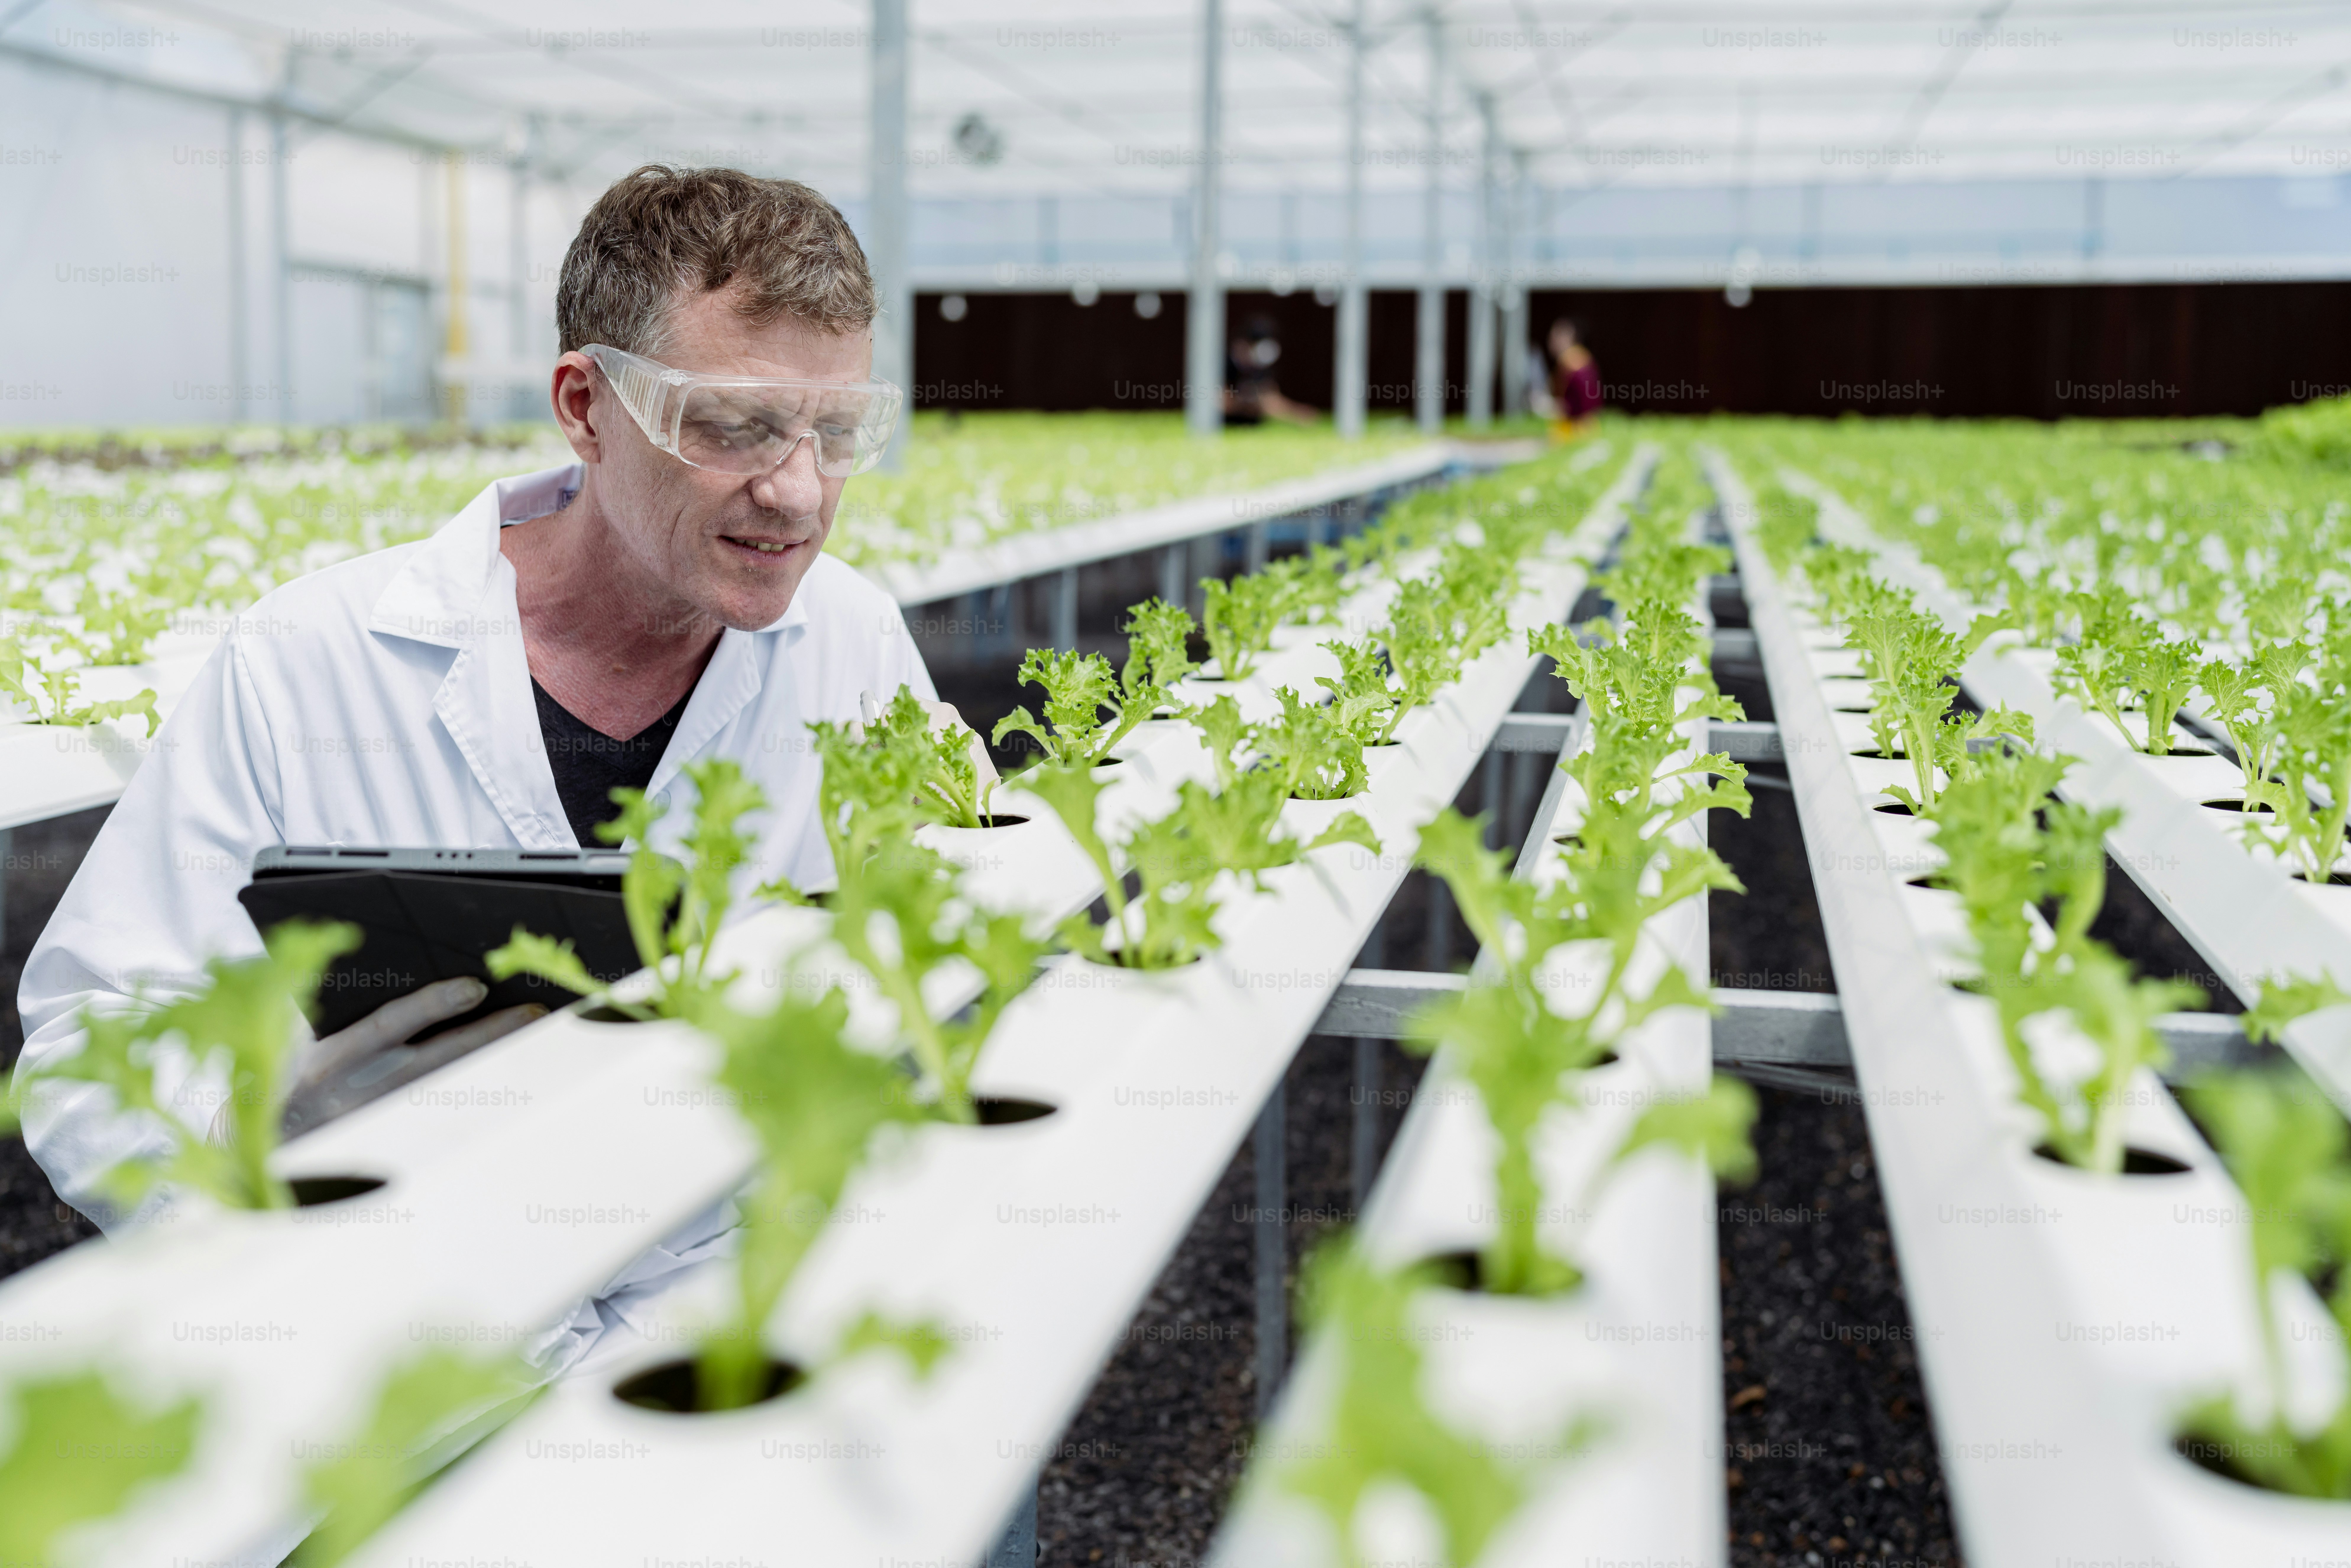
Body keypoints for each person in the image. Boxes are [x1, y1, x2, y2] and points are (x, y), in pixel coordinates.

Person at [15, 165, 990, 1229]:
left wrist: (978, 863)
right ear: (585, 408)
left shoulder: (850, 636)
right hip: (402, 1301)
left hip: (731, 1300)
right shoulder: (305, 659)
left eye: (836, 431)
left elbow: (925, 978)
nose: (799, 491)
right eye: (732, 426)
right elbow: (90, 1042)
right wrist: (252, 1138)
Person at [1222, 314, 1318, 426]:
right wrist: (1245, 402)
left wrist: (1297, 413)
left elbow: (1271, 400)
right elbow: (1214, 399)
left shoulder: (1260, 369)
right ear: (1242, 343)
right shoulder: (1220, 364)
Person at [1543, 317, 1603, 438]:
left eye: (1554, 338)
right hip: (1591, 425)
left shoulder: (1568, 364)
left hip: (1573, 428)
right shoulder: (1585, 357)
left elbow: (1567, 403)